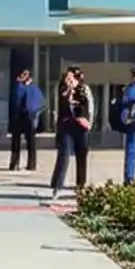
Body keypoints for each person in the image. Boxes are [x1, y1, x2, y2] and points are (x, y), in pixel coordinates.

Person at [49, 66, 94, 199]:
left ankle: (81, 186)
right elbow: (59, 105)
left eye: (70, 78)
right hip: (66, 126)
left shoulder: (84, 90)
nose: (68, 80)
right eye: (66, 78)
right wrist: (69, 90)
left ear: (77, 78)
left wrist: (89, 122)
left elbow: (90, 107)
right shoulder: (62, 90)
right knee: (64, 156)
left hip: (81, 127)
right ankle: (57, 186)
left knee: (82, 156)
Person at [8, 68, 44, 172]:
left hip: (28, 117)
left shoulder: (32, 88)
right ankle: (15, 163)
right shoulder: (19, 88)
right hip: (19, 117)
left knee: (30, 142)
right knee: (16, 141)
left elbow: (37, 102)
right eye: (22, 74)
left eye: (25, 74)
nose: (22, 76)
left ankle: (31, 163)